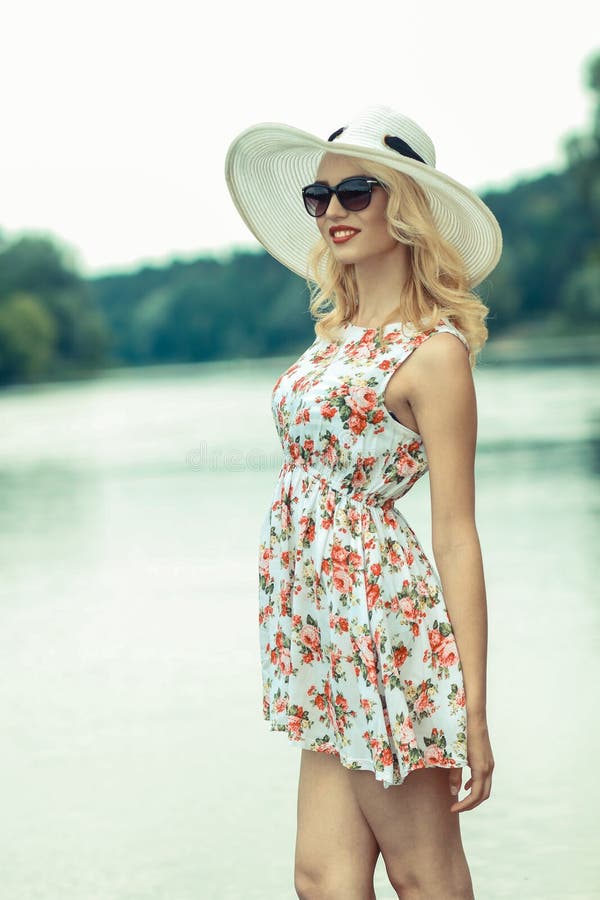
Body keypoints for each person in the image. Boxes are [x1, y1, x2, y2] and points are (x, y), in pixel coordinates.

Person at [225, 106, 502, 900]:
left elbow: (455, 534)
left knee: (427, 879)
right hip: (320, 633)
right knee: (323, 879)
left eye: (356, 192)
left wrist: (473, 709)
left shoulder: (435, 352)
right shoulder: (334, 337)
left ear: (405, 206)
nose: (334, 212)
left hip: (382, 630)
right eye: (320, 198)